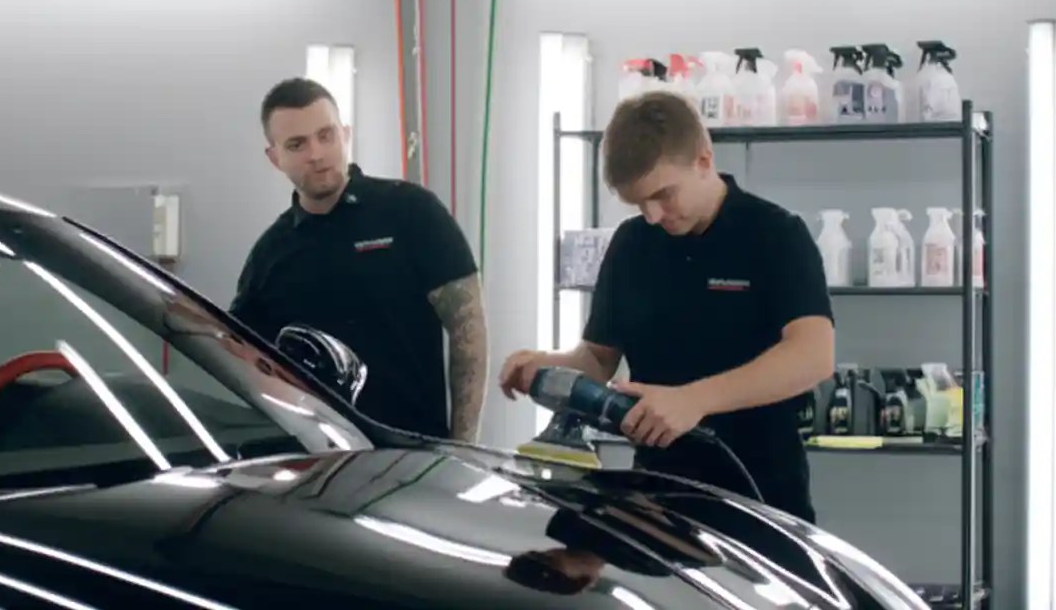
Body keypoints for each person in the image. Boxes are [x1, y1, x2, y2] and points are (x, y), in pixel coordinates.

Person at [499, 90, 834, 522]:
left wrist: (693, 400)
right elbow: (598, 359)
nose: (653, 215)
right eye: (639, 203)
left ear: (704, 160)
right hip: (657, 498)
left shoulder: (775, 235)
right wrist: (545, 367)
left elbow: (813, 356)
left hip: (763, 498)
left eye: (664, 195)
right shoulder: (632, 244)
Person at [230, 77, 488, 442]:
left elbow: (468, 328)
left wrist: (463, 446)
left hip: (411, 453)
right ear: (275, 157)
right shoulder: (271, 253)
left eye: (326, 135)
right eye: (297, 144)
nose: (317, 153)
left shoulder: (410, 211)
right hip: (315, 462)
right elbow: (241, 358)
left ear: (345, 134)